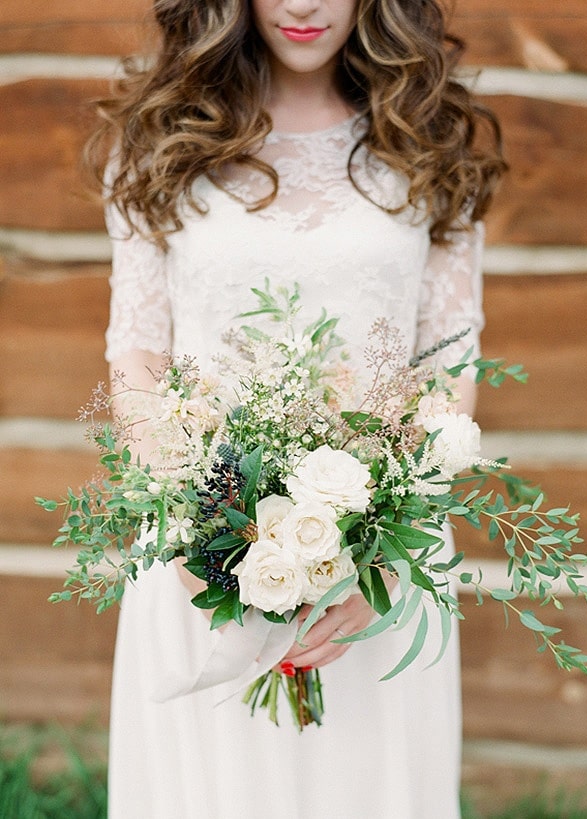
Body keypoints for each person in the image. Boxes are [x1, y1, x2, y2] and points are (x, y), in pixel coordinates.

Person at [91, 1, 506, 816]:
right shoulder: (160, 138)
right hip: (199, 547)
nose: (305, 5)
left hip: (384, 557)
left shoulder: (428, 140)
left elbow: (446, 362)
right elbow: (138, 352)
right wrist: (191, 526)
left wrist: (382, 548)